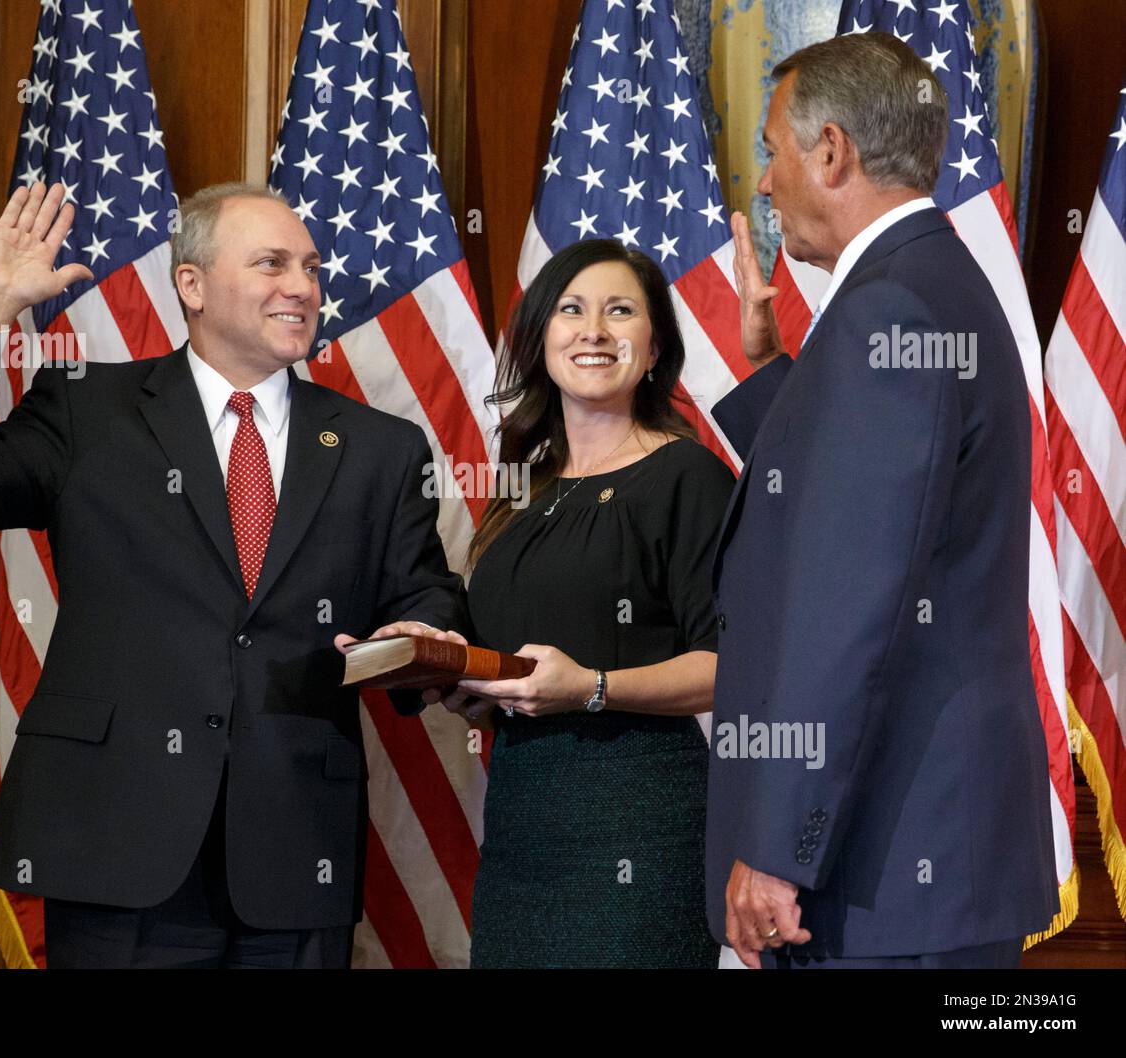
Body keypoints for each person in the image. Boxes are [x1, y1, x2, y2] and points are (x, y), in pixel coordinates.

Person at [0, 181, 466, 968]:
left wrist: (424, 634)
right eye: (271, 263)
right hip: (115, 843)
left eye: (311, 267)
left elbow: (421, 595)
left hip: (295, 852)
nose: (302, 286)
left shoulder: (380, 448)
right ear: (191, 284)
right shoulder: (90, 410)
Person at [705, 32, 1060, 970]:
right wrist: (768, 371)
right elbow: (881, 506)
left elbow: (849, 609)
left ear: (832, 151)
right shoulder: (928, 283)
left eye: (774, 151)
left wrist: (778, 846)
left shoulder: (887, 308)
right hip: (933, 867)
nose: (767, 185)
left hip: (885, 875)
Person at [436, 239, 735, 968]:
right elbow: (518, 656)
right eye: (571, 309)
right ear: (541, 337)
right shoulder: (522, 485)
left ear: (656, 345)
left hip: (637, 826)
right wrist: (452, 672)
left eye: (620, 311)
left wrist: (592, 689)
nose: (594, 330)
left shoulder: (688, 475)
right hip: (521, 827)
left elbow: (734, 667)